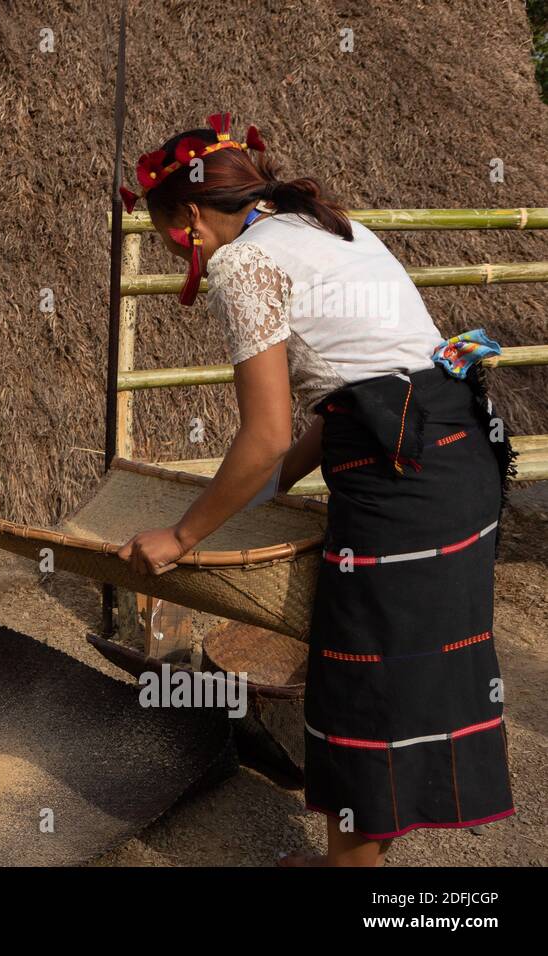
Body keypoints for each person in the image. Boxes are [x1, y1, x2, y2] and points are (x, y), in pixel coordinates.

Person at [116, 113, 515, 866]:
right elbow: (359, 388)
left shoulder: (245, 265)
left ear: (194, 215)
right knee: (400, 680)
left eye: (172, 232)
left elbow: (263, 431)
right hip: (457, 455)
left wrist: (181, 536)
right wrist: (275, 486)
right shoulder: (325, 227)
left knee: (362, 688)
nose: (180, 249)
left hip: (405, 480)